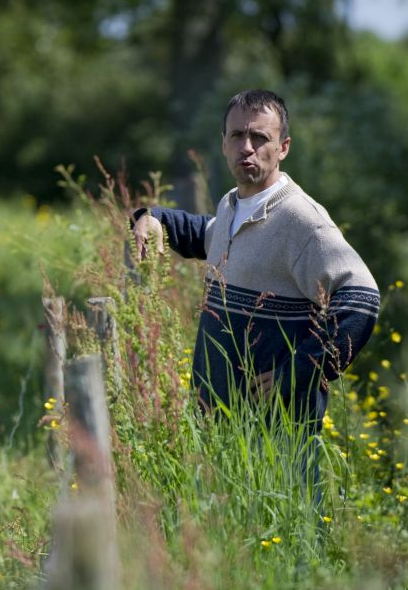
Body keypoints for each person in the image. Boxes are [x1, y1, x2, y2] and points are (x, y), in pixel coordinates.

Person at [132, 89, 380, 431]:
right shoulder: (231, 205)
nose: (246, 147)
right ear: (223, 143)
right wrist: (153, 216)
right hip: (218, 429)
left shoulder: (301, 220)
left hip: (277, 434)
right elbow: (208, 234)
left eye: (260, 137)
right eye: (237, 135)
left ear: (283, 148)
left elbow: (362, 300)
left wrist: (298, 373)